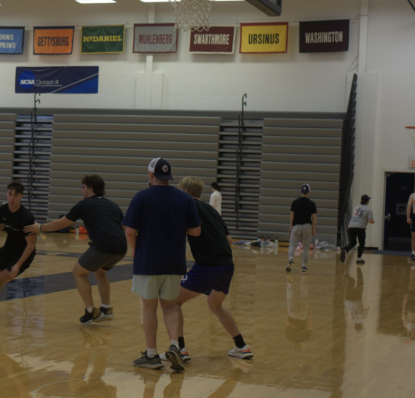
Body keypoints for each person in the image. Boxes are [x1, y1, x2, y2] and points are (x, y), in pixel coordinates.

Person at [122, 158, 201, 371]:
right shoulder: (185, 199)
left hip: (148, 261)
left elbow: (129, 231)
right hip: (174, 262)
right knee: (170, 306)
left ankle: (151, 355)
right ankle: (175, 346)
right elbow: (196, 231)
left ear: (150, 175)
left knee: (149, 307)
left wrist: (134, 253)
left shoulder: (141, 197)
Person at [25, 174, 127, 324]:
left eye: (83, 188)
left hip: (104, 246)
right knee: (100, 272)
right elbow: (124, 227)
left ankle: (91, 312)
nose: (81, 191)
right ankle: (106, 309)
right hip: (122, 248)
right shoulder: (113, 205)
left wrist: (40, 227)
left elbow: (60, 224)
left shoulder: (84, 204)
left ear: (90, 190)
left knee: (78, 273)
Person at [173, 176, 252, 362]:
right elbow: (229, 240)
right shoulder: (212, 210)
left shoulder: (187, 208)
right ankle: (242, 346)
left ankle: (180, 350)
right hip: (227, 265)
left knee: (172, 301)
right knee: (214, 304)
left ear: (185, 192)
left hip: (209, 265)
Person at [0, 181, 37, 316]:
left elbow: (31, 245)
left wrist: (17, 265)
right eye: (10, 194)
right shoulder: (3, 210)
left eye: (16, 195)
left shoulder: (27, 217)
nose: (12, 198)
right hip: (7, 249)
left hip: (22, 255)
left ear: (21, 196)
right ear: (6, 194)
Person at [287, 184, 317, 274]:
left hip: (296, 226)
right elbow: (314, 217)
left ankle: (290, 258)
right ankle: (304, 265)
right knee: (306, 246)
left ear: (301, 192)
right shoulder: (312, 203)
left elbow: (292, 215)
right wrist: (313, 229)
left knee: (292, 244)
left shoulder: (295, 202)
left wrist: (291, 226)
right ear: (309, 192)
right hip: (307, 226)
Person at [340, 194, 374, 264]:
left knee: (353, 242)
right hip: (360, 227)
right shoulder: (368, 209)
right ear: (367, 201)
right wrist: (373, 221)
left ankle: (345, 250)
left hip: (351, 226)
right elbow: (370, 220)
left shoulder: (356, 208)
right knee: (361, 243)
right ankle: (359, 259)